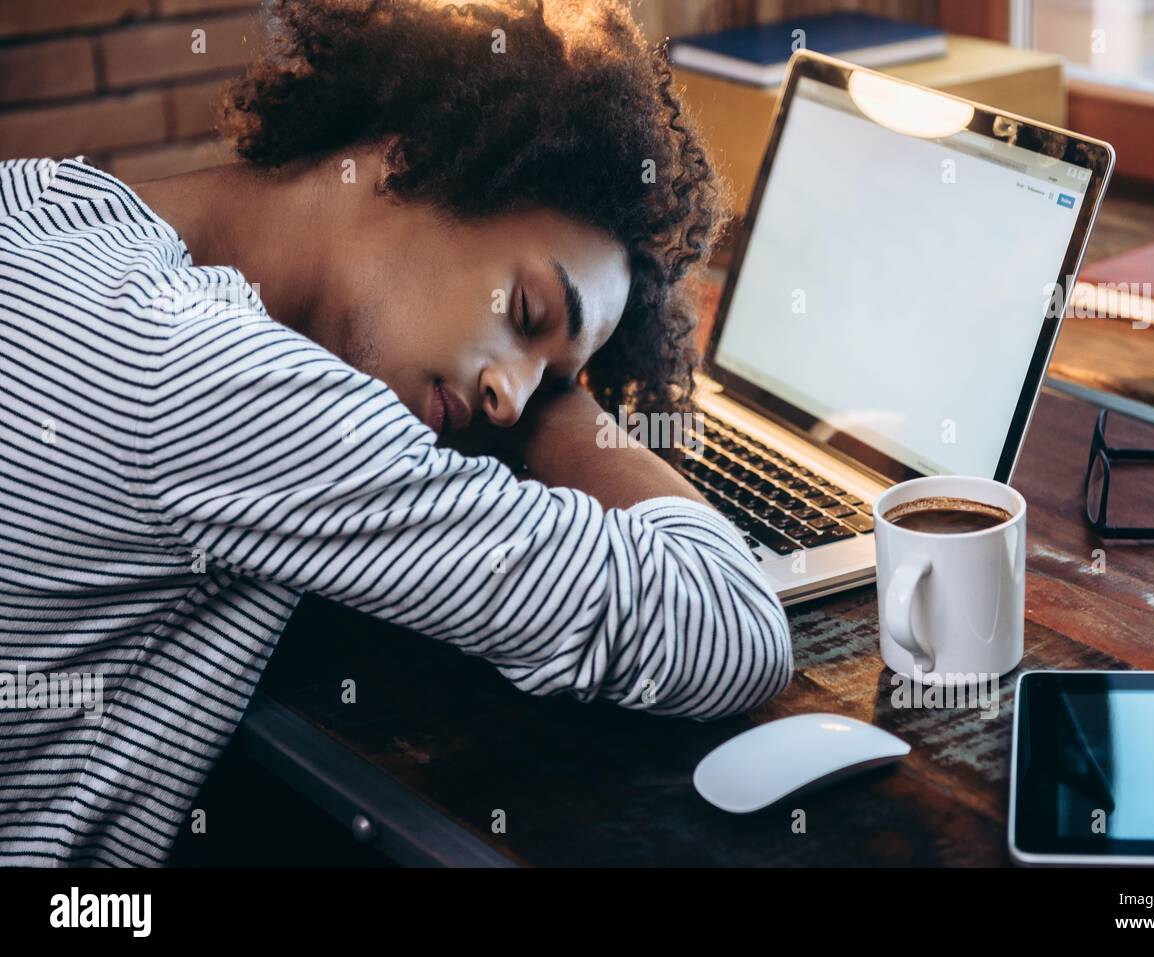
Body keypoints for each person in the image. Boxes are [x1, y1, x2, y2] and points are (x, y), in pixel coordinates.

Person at [0, 0, 792, 866]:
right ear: (411, 161)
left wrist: (534, 365)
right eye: (527, 312)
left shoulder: (50, 205)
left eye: (544, 388)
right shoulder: (218, 379)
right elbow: (730, 625)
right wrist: (567, 415)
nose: (509, 400)